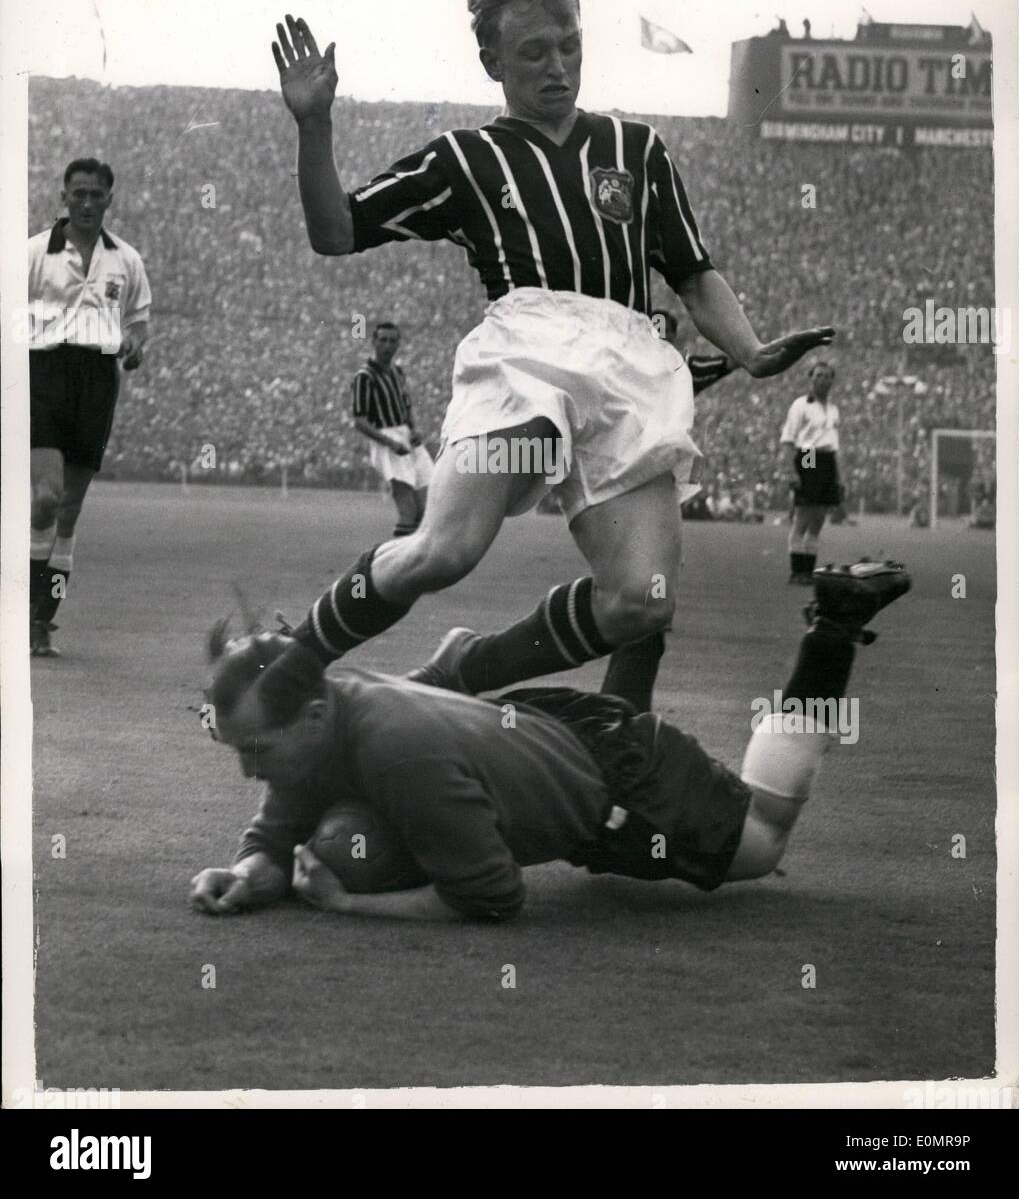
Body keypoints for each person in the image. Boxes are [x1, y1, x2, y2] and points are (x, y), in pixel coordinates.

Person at [265, 0, 833, 706]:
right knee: (446, 551)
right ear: (492, 62)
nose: (557, 65)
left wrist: (752, 352)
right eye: (534, 51)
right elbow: (336, 232)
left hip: (631, 363)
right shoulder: (464, 159)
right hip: (529, 352)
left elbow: (693, 273)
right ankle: (293, 663)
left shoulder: (639, 151)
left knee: (643, 600)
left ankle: (467, 669)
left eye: (568, 44)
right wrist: (315, 125)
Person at [190, 560, 910, 922]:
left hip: (623, 781)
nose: (252, 771)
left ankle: (834, 628)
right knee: (597, 736)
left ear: (309, 718)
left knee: (763, 837)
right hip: (554, 729)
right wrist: (249, 875)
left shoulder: (396, 753)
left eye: (255, 749)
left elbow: (493, 896)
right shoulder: (315, 714)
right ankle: (641, 631)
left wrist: (356, 907)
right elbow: (277, 826)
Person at [27, 158, 151, 656]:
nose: (85, 202)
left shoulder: (126, 260)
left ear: (109, 200)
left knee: (71, 512)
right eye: (77, 193)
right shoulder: (34, 252)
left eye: (95, 195)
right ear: (64, 196)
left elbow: (138, 322)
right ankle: (24, 609)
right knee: (45, 498)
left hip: (97, 380)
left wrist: (135, 346)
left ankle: (43, 620)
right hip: (43, 372)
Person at [599, 308, 734, 710]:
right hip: (628, 463)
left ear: (675, 335)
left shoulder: (684, 369)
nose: (660, 333)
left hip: (667, 466)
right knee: (632, 540)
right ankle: (636, 606)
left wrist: (751, 347)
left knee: (663, 543)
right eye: (654, 326)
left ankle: (649, 606)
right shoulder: (623, 364)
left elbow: (729, 361)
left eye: (667, 329)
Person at [351, 322, 433, 537]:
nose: (388, 345)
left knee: (426, 509)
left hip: (405, 436)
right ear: (374, 342)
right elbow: (360, 421)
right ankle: (395, 567)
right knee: (408, 510)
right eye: (383, 340)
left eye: (392, 340)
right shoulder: (365, 376)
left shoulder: (398, 372)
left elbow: (406, 407)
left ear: (398, 344)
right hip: (386, 439)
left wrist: (414, 430)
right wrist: (390, 443)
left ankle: (411, 562)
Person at [780, 361, 842, 585]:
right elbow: (789, 439)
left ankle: (808, 572)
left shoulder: (833, 409)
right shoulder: (801, 405)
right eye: (818, 375)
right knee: (804, 515)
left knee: (818, 519)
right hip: (808, 456)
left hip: (826, 460)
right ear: (811, 378)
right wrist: (791, 471)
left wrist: (838, 476)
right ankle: (797, 572)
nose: (822, 380)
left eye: (827, 376)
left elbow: (834, 445)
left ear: (832, 380)